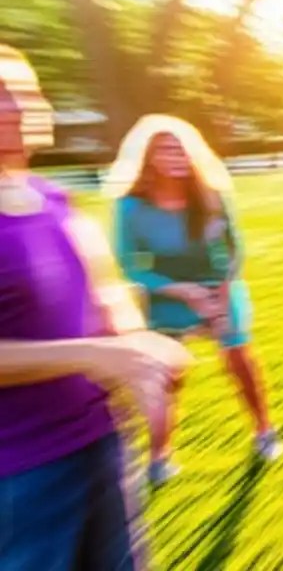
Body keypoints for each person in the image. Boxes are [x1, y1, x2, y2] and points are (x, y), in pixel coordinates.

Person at [0, 43, 193, 570]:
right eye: (1, 94)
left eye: (26, 92)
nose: (17, 106)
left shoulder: (55, 201)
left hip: (102, 446)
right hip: (20, 477)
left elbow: (105, 293)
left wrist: (140, 352)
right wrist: (96, 356)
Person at [104, 115, 282, 485]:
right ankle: (158, 457)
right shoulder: (129, 207)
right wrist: (181, 291)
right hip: (166, 292)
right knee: (168, 375)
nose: (176, 155)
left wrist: (219, 293)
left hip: (217, 288)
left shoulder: (211, 195)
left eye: (180, 148)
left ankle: (265, 432)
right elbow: (129, 267)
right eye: (166, 149)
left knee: (239, 359)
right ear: (150, 157)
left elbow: (235, 250)